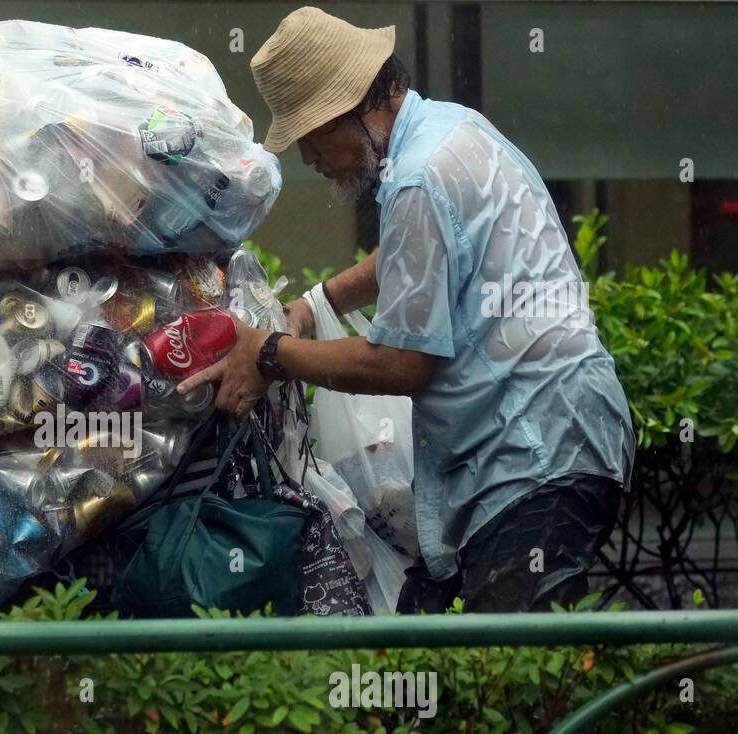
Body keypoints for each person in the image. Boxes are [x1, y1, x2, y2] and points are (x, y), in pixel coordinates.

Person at [180, 6, 636, 613]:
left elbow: (400, 364)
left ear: (354, 110)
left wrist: (265, 353)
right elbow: (415, 255)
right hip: (545, 442)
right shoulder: (449, 128)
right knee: (424, 646)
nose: (312, 158)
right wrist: (318, 303)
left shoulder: (418, 177)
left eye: (313, 137)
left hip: (536, 453)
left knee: (509, 675)